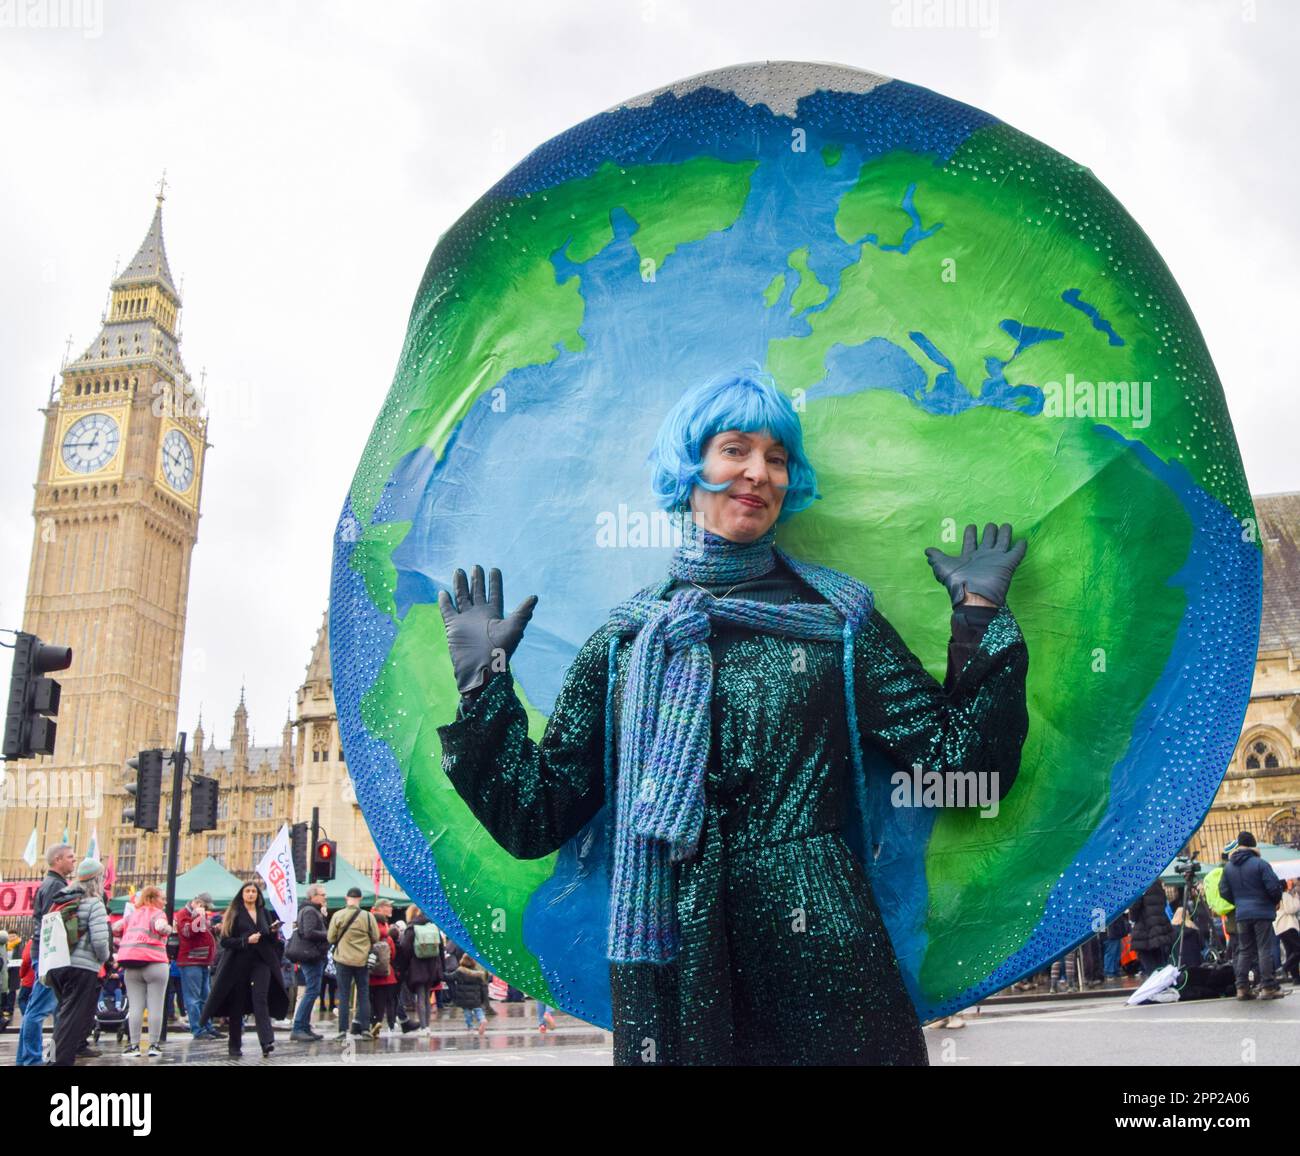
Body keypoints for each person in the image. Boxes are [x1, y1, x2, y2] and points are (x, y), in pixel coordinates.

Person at [435, 370, 1031, 1065]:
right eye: (735, 449)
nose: (758, 473)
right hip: (678, 961)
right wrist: (483, 687)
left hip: (827, 961)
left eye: (777, 458)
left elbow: (963, 767)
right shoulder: (628, 642)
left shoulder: (837, 623)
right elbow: (534, 815)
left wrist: (979, 619)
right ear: (691, 467)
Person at [201, 882, 289, 1057]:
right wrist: (245, 941)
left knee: (260, 999)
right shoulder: (234, 913)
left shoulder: (265, 913)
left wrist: (272, 932)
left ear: (258, 895)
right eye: (247, 891)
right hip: (239, 962)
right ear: (242, 894)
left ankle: (266, 1042)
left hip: (261, 961)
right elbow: (225, 941)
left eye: (253, 891)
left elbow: (271, 941)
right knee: (237, 1002)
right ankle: (234, 1045)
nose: (250, 894)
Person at [43, 857, 112, 1067]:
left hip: (57, 965)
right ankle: (60, 1062)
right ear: (97, 879)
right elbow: (100, 941)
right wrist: (105, 957)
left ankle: (52, 1058)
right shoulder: (94, 903)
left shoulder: (61, 900)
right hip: (81, 967)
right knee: (73, 1020)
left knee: (63, 1017)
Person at [16, 842, 76, 1066]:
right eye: (70, 857)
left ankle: (24, 1058)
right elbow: (52, 923)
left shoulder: (52, 883)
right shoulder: (55, 886)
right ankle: (31, 1059)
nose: (74, 860)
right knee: (39, 1010)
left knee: (34, 1008)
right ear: (57, 860)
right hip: (48, 954)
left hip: (42, 952)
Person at [1219, 831, 1284, 999]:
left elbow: (1223, 891)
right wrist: (1274, 900)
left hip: (1242, 913)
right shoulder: (1260, 864)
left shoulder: (1228, 867)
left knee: (1244, 950)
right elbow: (1273, 887)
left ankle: (1242, 988)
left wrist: (1239, 902)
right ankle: (1268, 986)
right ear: (1253, 845)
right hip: (1262, 912)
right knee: (1264, 949)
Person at [116, 884, 173, 1057]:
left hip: (132, 964)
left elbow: (115, 928)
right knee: (156, 1006)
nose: (164, 902)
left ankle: (133, 1046)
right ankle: (154, 1046)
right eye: (162, 898)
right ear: (152, 899)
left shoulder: (132, 915)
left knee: (135, 1008)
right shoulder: (157, 913)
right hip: (155, 963)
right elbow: (161, 926)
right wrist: (168, 929)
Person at [326, 886, 378, 1040]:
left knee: (343, 995)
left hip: (343, 960)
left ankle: (342, 1031)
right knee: (363, 994)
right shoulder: (368, 917)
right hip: (361, 960)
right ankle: (365, 1030)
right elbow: (375, 937)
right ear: (360, 899)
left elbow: (331, 938)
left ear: (346, 898)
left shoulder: (338, 915)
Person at [175, 892, 221, 1039]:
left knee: (205, 997)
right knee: (193, 998)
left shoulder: (199, 915)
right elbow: (188, 932)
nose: (206, 910)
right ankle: (197, 1029)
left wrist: (214, 929)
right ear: (198, 903)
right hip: (191, 961)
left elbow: (202, 932)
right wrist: (198, 917)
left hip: (202, 961)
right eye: (205, 906)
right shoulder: (183, 914)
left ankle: (207, 1026)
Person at [289, 883, 329, 1042]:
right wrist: (327, 934)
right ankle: (298, 1026)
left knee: (313, 991)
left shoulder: (312, 910)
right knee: (311, 991)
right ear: (313, 896)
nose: (325, 897)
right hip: (311, 955)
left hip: (313, 955)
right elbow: (309, 932)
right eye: (322, 894)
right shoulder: (310, 911)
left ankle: (304, 1026)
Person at [396, 906, 445, 1032]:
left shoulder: (411, 929)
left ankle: (423, 1027)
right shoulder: (433, 928)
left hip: (416, 968)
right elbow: (441, 950)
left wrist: (402, 969)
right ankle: (427, 1026)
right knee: (427, 997)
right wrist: (441, 969)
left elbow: (405, 950)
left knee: (420, 997)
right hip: (432, 968)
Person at [1127, 879, 1176, 978]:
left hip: (1144, 928)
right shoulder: (1157, 883)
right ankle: (1163, 985)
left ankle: (1156, 985)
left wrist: (1132, 919)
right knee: (1160, 963)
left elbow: (1135, 906)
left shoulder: (1139, 882)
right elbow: (1163, 903)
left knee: (1149, 965)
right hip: (1160, 927)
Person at [451, 951, 488, 1034]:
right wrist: (483, 998)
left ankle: (470, 1027)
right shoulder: (478, 974)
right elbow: (483, 986)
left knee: (467, 1013)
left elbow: (450, 977)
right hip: (476, 997)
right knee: (478, 1010)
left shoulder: (459, 972)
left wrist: (440, 974)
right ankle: (482, 1020)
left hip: (464, 998)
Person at [1275, 879, 1300, 985]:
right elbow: (1291, 909)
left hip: (1280, 928)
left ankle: (1296, 977)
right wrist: (1296, 898)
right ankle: (1284, 968)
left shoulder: (1275, 896)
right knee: (1298, 950)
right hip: (1288, 926)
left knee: (1290, 951)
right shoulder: (1285, 895)